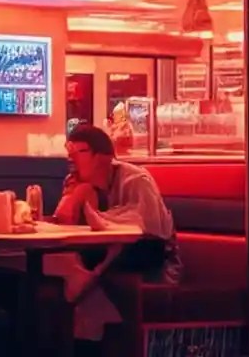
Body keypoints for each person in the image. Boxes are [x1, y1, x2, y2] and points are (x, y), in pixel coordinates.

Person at [50, 125, 180, 347]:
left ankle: (88, 280)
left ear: (103, 158)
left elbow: (151, 228)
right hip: (104, 254)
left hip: (153, 256)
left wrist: (104, 222)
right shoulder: (77, 181)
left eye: (78, 152)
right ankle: (91, 293)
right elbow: (63, 220)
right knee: (67, 260)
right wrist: (77, 194)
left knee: (92, 258)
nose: (71, 158)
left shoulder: (136, 180)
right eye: (68, 152)